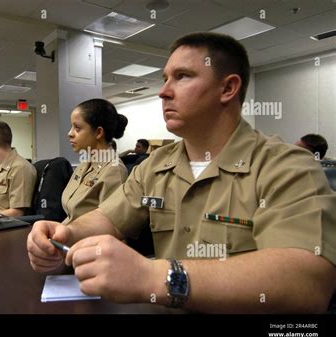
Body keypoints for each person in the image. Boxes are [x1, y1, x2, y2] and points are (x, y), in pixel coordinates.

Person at [27, 32, 336, 313]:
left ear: (228, 88)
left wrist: (156, 277)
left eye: (182, 77)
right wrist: (66, 233)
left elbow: (306, 282)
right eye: (165, 79)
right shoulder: (156, 165)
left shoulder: (287, 166)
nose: (163, 92)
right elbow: (108, 217)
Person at [62, 99, 128, 224]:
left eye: (77, 128)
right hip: (68, 234)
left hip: (86, 241)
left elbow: (112, 227)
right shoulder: (84, 165)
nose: (70, 133)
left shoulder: (114, 170)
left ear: (98, 132)